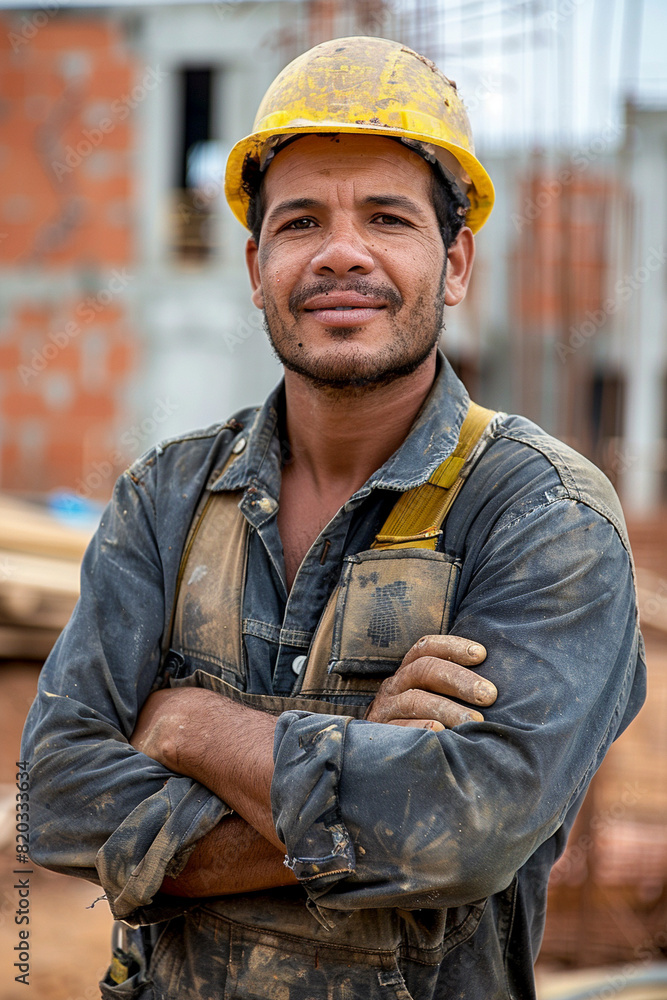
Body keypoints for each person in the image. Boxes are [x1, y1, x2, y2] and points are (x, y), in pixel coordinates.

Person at [22, 36, 645, 1000]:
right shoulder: (166, 498)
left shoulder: (539, 516)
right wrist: (363, 758)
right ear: (256, 261)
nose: (341, 252)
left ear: (456, 261)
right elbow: (60, 798)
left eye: (388, 218)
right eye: (301, 219)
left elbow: (463, 832)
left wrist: (189, 726)